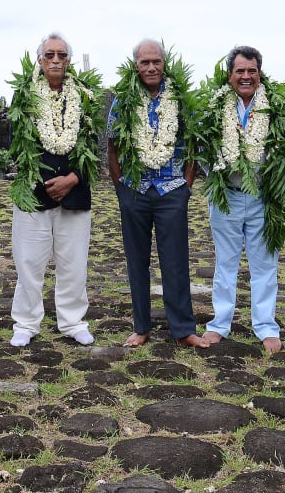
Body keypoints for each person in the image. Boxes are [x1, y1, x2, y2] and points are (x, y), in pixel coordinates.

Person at [107, 39, 208, 348]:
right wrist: (121, 188)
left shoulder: (180, 98)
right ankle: (141, 327)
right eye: (144, 62)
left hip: (172, 190)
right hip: (134, 190)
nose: (151, 67)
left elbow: (193, 144)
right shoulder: (123, 100)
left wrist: (186, 185)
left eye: (156, 62)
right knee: (136, 261)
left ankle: (183, 329)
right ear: (136, 66)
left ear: (165, 63)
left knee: (175, 261)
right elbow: (112, 146)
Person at [7, 33, 102, 347]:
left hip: (75, 191)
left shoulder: (84, 96)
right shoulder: (24, 95)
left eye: (62, 55)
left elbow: (93, 146)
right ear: (39, 60)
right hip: (34, 193)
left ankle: (73, 321)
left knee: (73, 263)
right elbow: (17, 145)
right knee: (29, 262)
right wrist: (45, 182)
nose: (56, 60)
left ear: (69, 61)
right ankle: (26, 323)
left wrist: (72, 179)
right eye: (49, 55)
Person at [199, 46, 285, 353]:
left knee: (265, 265)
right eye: (240, 71)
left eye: (252, 71)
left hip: (263, 197)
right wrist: (219, 173)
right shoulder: (215, 107)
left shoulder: (274, 106)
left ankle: (266, 326)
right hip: (227, 196)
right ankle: (219, 324)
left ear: (260, 74)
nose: (246, 76)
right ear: (230, 76)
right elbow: (202, 147)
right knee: (225, 263)